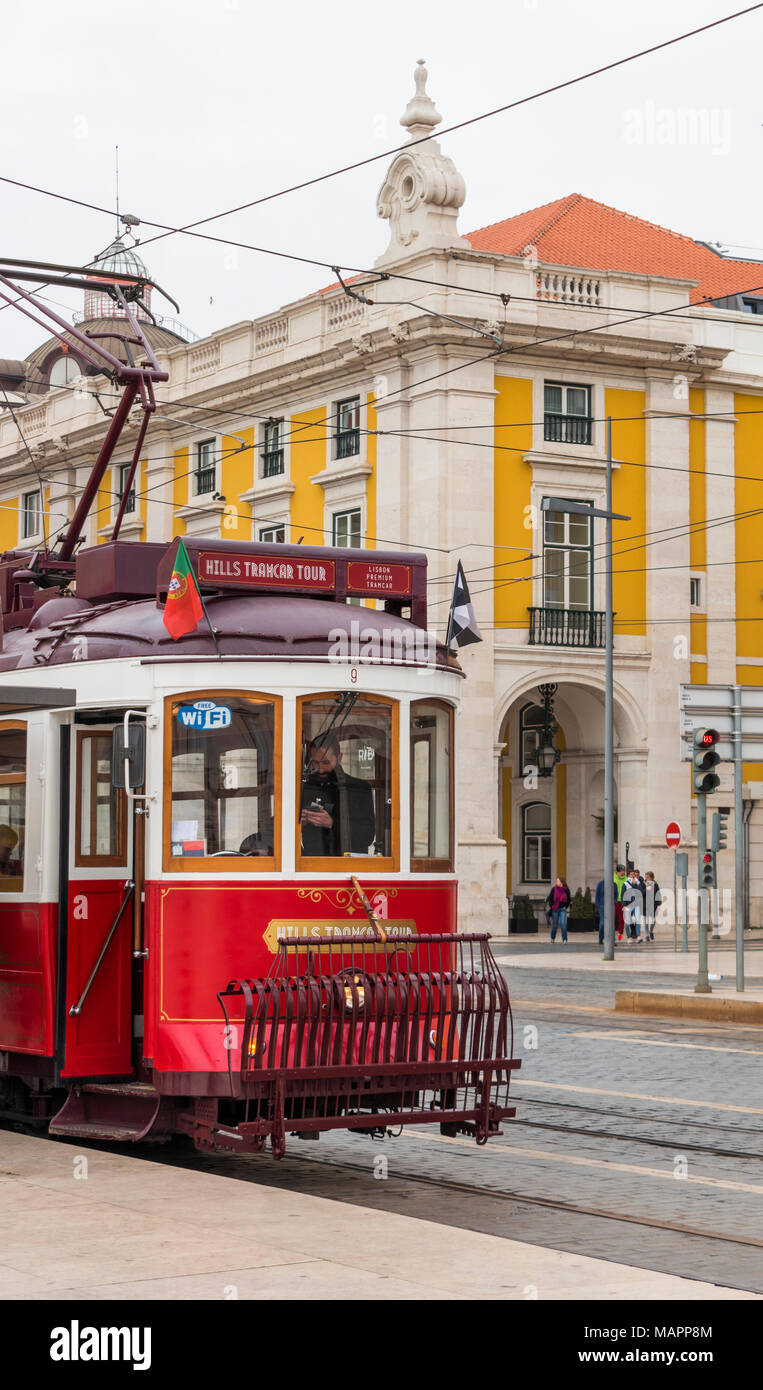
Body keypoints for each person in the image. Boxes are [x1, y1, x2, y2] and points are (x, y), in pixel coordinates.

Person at [300, 732, 376, 856]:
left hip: (349, 865)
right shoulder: (304, 786)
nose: (320, 769)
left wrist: (332, 823)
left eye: (325, 763)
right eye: (315, 763)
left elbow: (367, 836)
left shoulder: (359, 789)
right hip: (311, 864)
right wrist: (298, 823)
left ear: (339, 758)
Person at [546, 876, 571, 943]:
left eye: (558, 881)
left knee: (563, 924)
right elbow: (550, 899)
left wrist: (565, 907)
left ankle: (564, 939)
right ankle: (552, 938)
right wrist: (552, 906)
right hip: (555, 909)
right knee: (555, 925)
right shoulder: (553, 889)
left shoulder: (566, 890)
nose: (556, 882)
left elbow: (569, 899)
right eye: (556, 881)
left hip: (562, 909)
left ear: (561, 882)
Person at [622, 870, 644, 943]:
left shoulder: (638, 883)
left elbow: (640, 893)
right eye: (631, 874)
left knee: (638, 920)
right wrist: (624, 905)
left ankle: (638, 936)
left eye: (634, 875)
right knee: (627, 922)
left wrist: (635, 885)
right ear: (628, 876)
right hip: (628, 905)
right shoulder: (625, 883)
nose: (633, 876)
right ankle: (629, 937)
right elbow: (623, 895)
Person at [644, 871, 662, 941]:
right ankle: (647, 935)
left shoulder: (655, 884)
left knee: (653, 920)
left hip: (653, 904)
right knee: (646, 920)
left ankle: (651, 931)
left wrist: (659, 904)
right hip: (645, 904)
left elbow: (658, 894)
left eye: (648, 877)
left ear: (652, 877)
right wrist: (646, 889)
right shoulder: (643, 883)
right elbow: (640, 893)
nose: (646, 878)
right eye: (646, 877)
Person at [614, 864, 627, 941]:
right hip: (614, 901)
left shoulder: (626, 879)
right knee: (613, 918)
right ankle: (611, 934)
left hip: (623, 902)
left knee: (622, 919)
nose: (624, 872)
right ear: (619, 871)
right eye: (623, 870)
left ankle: (620, 934)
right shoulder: (613, 878)